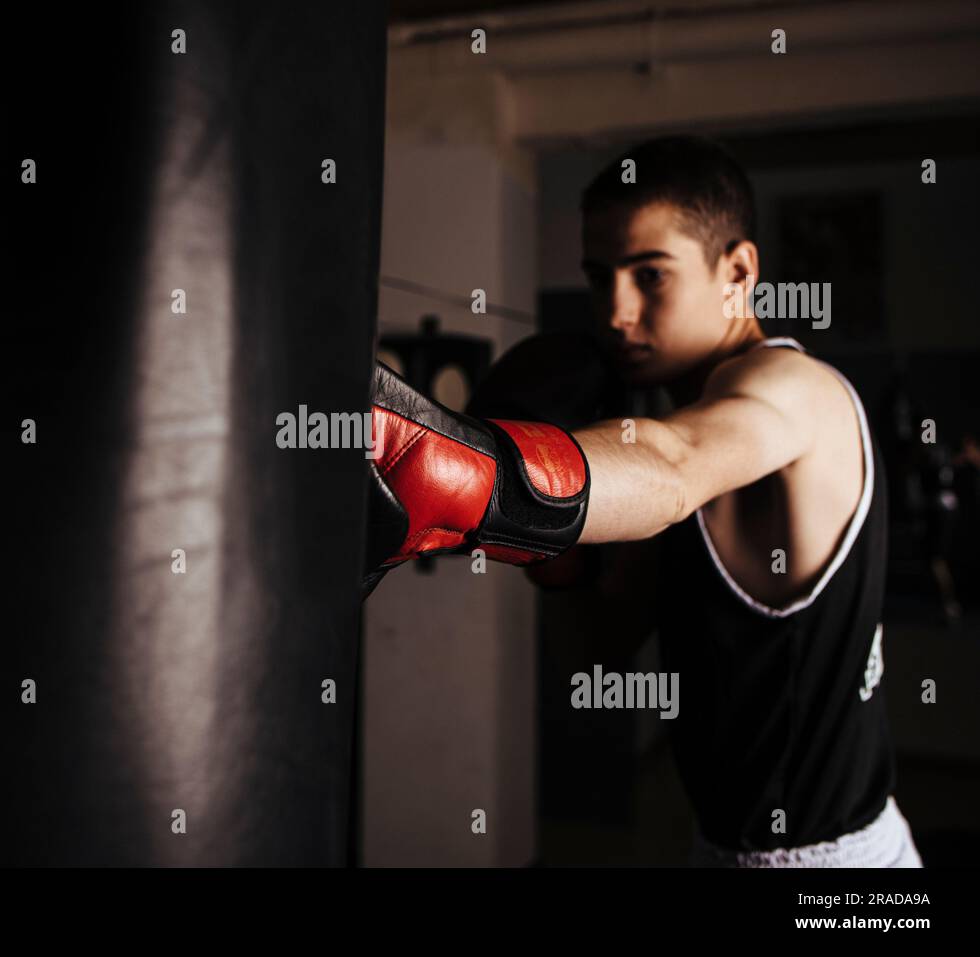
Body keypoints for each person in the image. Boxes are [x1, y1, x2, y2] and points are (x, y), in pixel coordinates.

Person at [363, 135, 922, 868]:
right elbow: (598, 644)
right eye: (600, 278)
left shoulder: (797, 393)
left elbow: (675, 461)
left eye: (649, 275)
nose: (617, 310)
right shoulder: (657, 438)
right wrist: (556, 557)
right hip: (718, 849)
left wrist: (464, 472)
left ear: (738, 272)